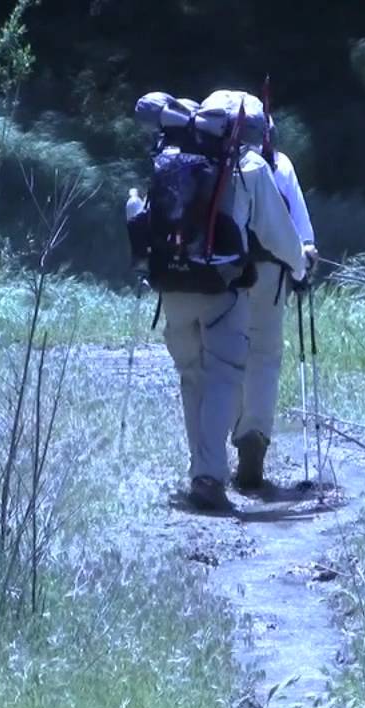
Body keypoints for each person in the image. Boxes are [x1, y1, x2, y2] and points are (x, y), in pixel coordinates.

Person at [132, 90, 308, 512]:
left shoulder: (169, 157)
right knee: (225, 374)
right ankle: (209, 476)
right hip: (221, 291)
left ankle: (203, 469)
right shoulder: (249, 167)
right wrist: (299, 268)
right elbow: (280, 235)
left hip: (171, 285)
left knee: (192, 377)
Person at [231, 99, 319, 494]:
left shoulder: (215, 164)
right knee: (263, 357)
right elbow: (302, 232)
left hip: (221, 274)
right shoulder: (278, 165)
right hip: (269, 276)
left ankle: (218, 452)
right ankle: (253, 440)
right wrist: (302, 264)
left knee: (223, 356)